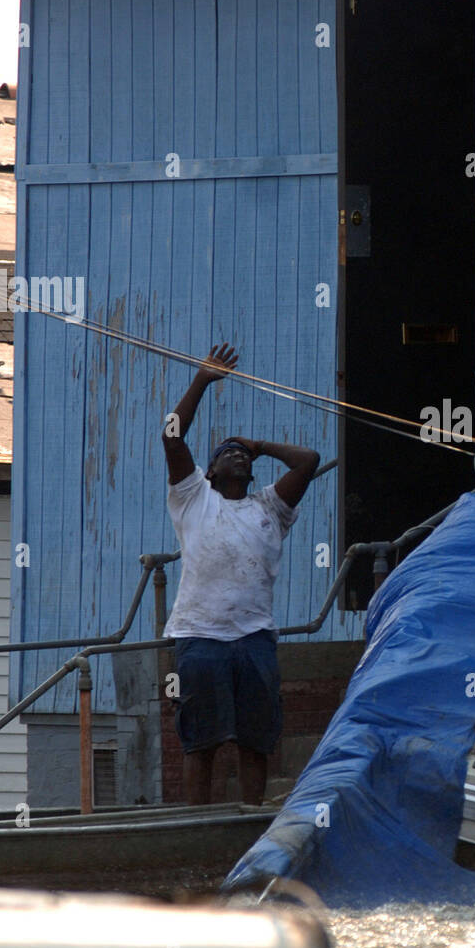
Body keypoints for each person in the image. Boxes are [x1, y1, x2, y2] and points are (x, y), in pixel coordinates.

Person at [160, 342, 320, 806]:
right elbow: (172, 436)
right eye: (227, 453)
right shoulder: (193, 498)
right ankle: (196, 827)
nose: (238, 457)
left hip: (254, 639)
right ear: (208, 471)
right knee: (201, 743)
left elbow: (307, 460)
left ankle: (248, 825)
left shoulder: (270, 506)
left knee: (256, 742)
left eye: (242, 454)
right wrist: (202, 379)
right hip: (200, 637)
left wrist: (260, 445)